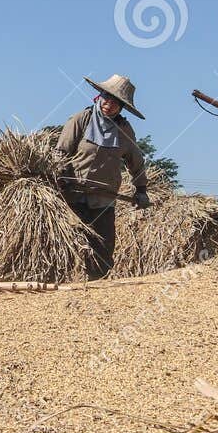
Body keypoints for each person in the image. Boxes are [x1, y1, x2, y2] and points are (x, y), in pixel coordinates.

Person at [56, 74, 151, 280]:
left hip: (104, 199)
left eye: (116, 102)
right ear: (99, 97)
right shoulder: (82, 119)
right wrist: (61, 174)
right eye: (107, 98)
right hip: (74, 195)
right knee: (72, 243)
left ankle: (96, 286)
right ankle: (65, 283)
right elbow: (61, 152)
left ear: (122, 108)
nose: (109, 104)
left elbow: (136, 162)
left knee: (103, 246)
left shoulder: (124, 130)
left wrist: (141, 189)